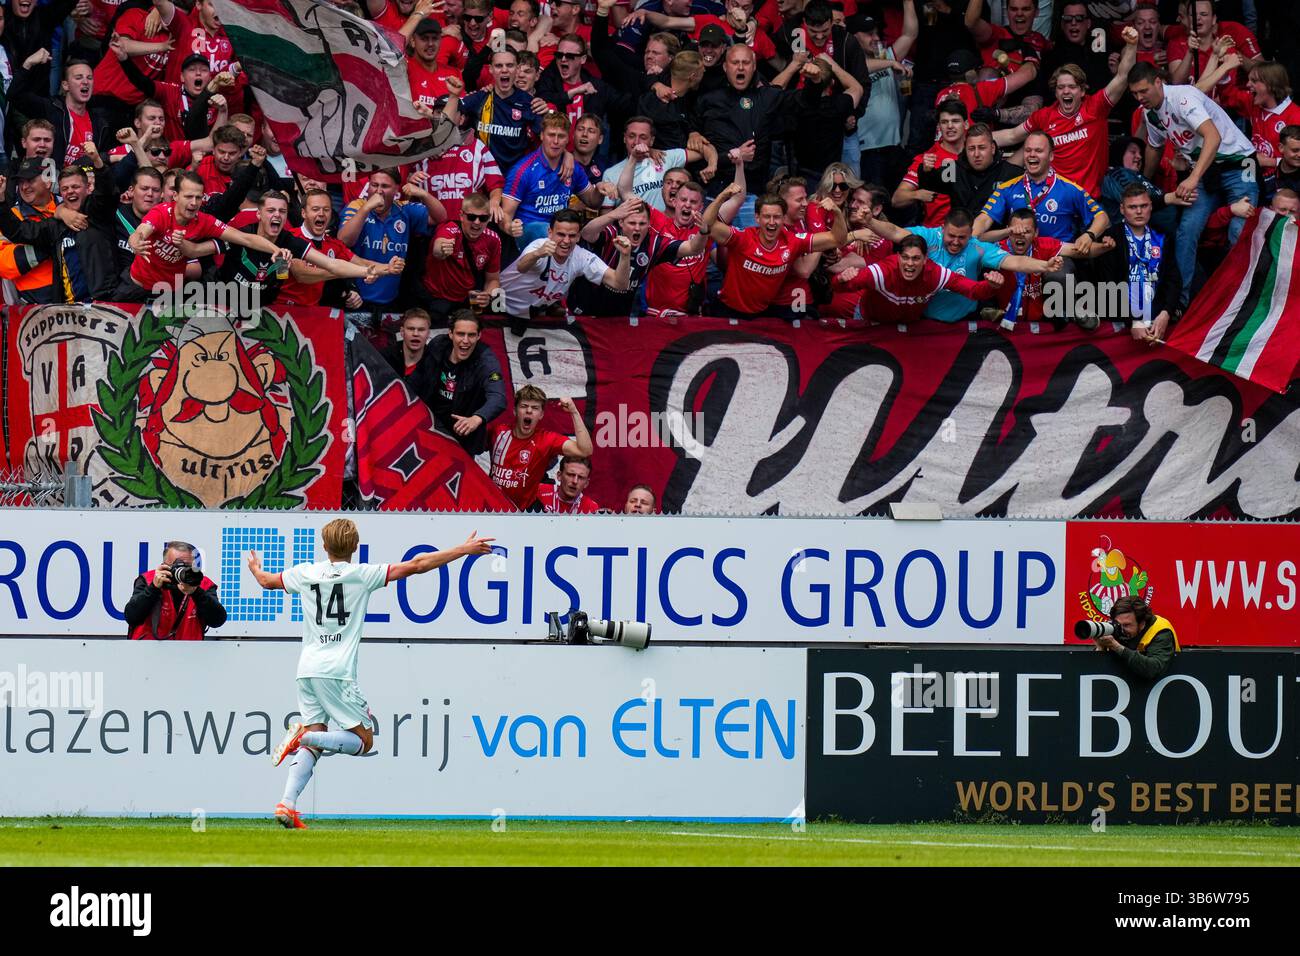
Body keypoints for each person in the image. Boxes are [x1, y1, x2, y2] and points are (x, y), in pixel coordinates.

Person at [248, 518, 494, 829]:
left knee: (317, 740)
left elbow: (267, 582)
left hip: (306, 669)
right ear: (355, 548)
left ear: (324, 547)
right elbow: (418, 565)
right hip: (337, 673)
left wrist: (256, 569)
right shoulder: (362, 575)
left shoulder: (305, 572)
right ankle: (302, 736)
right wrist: (463, 549)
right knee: (363, 741)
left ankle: (287, 803)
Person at [1127, 60, 1259, 306]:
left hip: (1239, 163)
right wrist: (1141, 182)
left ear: (1158, 81)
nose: (1139, 97)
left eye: (1143, 90)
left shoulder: (1183, 97)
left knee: (1239, 231)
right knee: (1186, 232)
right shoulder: (1150, 114)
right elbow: (1154, 149)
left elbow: (1213, 136)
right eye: (1134, 93)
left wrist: (1193, 177)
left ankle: (1241, 301)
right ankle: (1180, 303)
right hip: (1204, 170)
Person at [496, 209, 632, 326]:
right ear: (550, 232)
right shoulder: (540, 245)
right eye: (561, 234)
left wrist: (625, 256)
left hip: (529, 316)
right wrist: (537, 254)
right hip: (498, 304)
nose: (566, 241)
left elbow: (619, 283)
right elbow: (521, 267)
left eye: (572, 236)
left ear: (578, 236)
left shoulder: (581, 256)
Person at [1091, 183, 1182, 343]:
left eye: (1143, 206)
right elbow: (1107, 285)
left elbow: (1173, 279)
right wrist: (1133, 320)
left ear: (1151, 207)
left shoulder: (1163, 237)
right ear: (1122, 209)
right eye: (1132, 207)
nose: (1139, 211)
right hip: (1122, 321)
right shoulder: (1110, 239)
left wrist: (1166, 312)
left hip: (1157, 317)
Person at [489, 385, 593, 509]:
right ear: (515, 411)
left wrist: (574, 412)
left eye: (535, 408)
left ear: (541, 414)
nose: (529, 411)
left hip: (524, 512)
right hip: (492, 509)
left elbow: (584, 450)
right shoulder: (498, 432)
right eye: (524, 406)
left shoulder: (547, 440)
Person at [423, 309, 508, 455]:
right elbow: (420, 377)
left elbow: (498, 397)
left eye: (471, 335)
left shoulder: (486, 361)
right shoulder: (438, 345)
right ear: (450, 333)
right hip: (430, 428)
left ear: (479, 336)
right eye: (460, 334)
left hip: (462, 438)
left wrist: (477, 418)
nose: (465, 340)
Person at [125, 540, 228, 640]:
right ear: (164, 565)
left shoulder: (203, 584)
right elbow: (132, 617)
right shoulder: (148, 580)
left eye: (187, 567)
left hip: (190, 654)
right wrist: (154, 588)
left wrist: (196, 592)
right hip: (148, 653)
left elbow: (217, 621)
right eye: (177, 566)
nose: (182, 571)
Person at [1092, 595, 1179, 679]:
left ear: (1142, 623)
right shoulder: (1116, 629)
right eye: (1118, 624)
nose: (1121, 629)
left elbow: (1153, 669)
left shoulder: (1161, 631)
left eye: (1127, 625)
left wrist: (1117, 647)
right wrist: (1100, 648)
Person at [536, 455, 601, 513]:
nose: (575, 481)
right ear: (559, 476)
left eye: (581, 477)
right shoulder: (538, 492)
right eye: (570, 475)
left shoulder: (591, 508)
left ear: (586, 483)